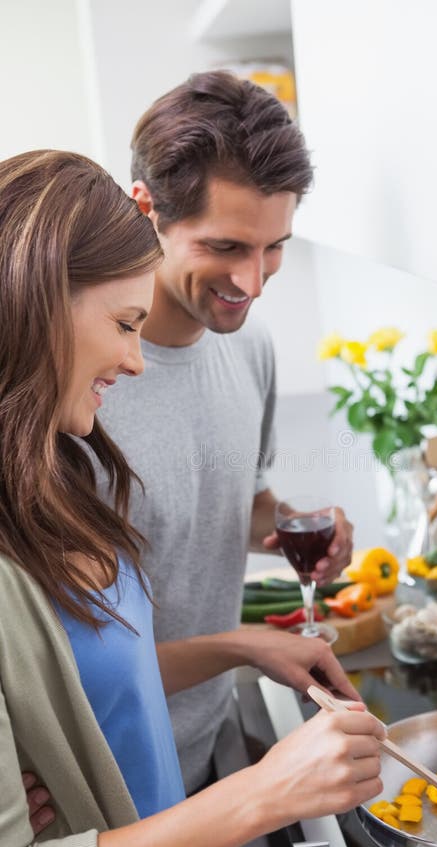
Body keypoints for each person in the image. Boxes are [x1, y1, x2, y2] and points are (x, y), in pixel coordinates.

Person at [0, 149, 384, 847]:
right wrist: (266, 793)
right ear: (35, 303)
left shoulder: (64, 468)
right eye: (122, 322)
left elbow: (90, 683)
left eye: (274, 249)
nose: (136, 361)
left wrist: (238, 647)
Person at [97, 69, 356, 795]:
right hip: (99, 776)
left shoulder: (249, 346)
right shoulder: (76, 382)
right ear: (145, 209)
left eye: (274, 246)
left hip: (202, 752)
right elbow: (62, 661)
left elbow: (231, 504)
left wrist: (299, 527)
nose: (254, 280)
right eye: (226, 247)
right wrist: (242, 646)